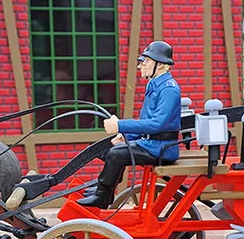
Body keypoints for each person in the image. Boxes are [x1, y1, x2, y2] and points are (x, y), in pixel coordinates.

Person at [77, 40, 182, 209]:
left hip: (161, 147)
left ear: (161, 65)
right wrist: (126, 135)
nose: (141, 65)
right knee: (106, 150)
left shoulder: (169, 89)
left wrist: (120, 125)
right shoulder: (155, 85)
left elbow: (156, 124)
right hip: (151, 143)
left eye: (146, 61)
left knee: (117, 154)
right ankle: (105, 190)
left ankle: (102, 196)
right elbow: (146, 121)